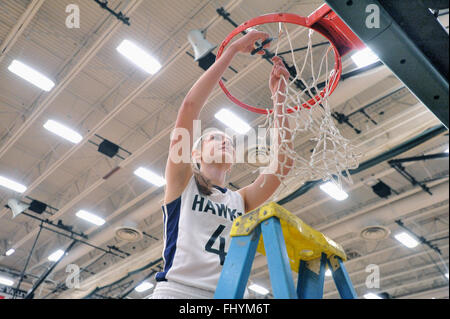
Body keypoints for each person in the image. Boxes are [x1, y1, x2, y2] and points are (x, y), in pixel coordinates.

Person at [152, 30, 292, 299]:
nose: (225, 142)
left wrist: (280, 99)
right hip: (178, 291)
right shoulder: (182, 181)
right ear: (196, 154)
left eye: (229, 141)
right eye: (215, 138)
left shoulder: (240, 199)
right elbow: (190, 107)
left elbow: (283, 164)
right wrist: (231, 52)